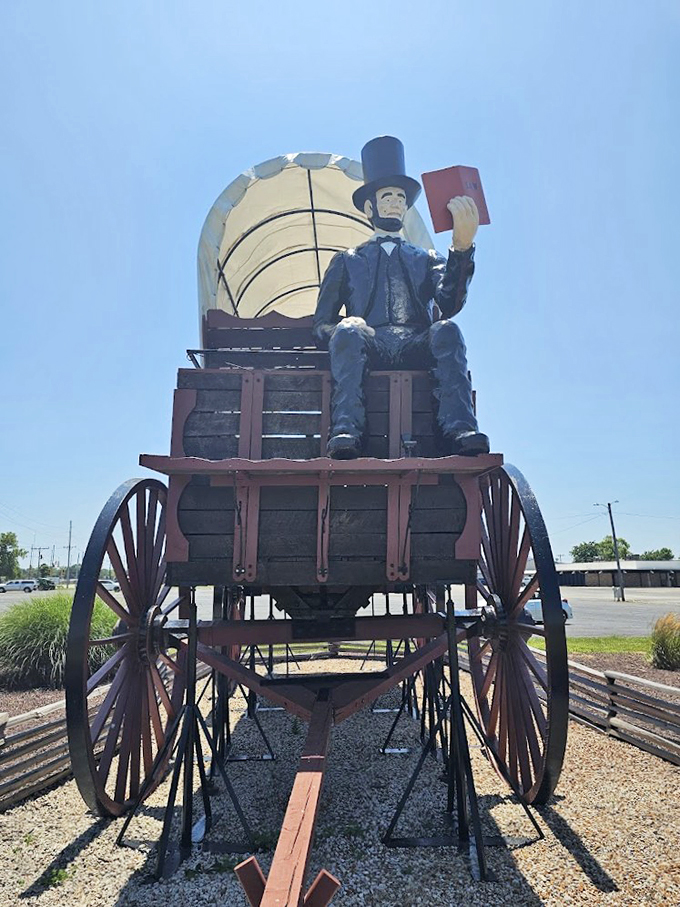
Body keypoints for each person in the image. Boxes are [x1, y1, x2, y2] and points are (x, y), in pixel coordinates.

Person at [313, 135, 490, 459]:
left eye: (399, 197)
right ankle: (347, 430)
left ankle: (458, 429)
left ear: (406, 208)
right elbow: (321, 324)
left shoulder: (427, 257)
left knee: (447, 329)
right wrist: (343, 326)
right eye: (386, 196)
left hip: (415, 344)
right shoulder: (347, 260)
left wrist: (461, 250)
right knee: (349, 332)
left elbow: (449, 304)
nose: (394, 202)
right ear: (370, 206)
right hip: (370, 343)